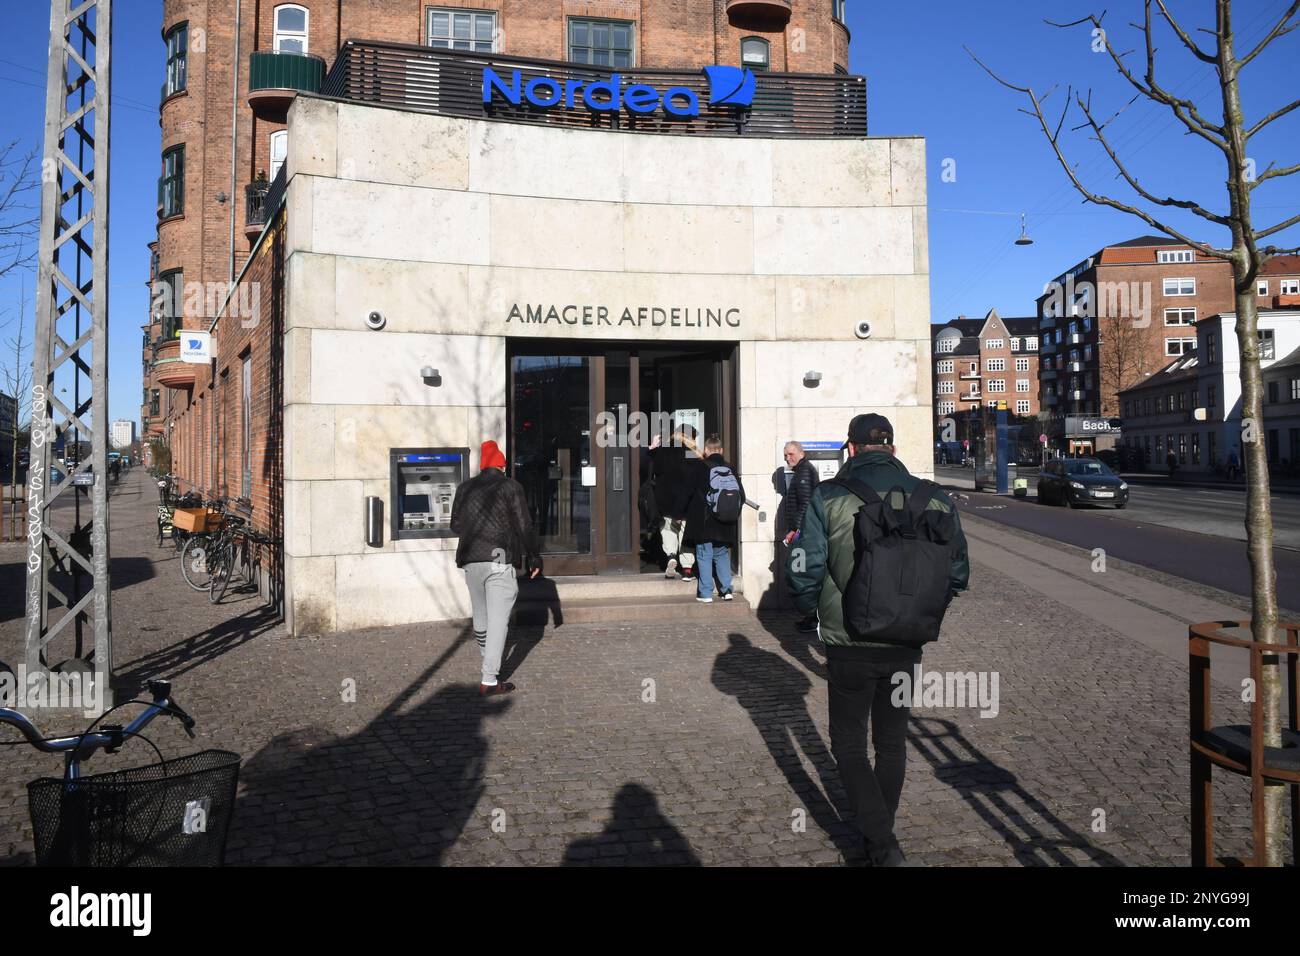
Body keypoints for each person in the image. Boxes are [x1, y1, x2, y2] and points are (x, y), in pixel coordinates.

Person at [787, 414, 970, 866]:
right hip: (907, 640)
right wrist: (923, 608)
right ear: (892, 448)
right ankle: (879, 838)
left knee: (848, 743)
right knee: (891, 743)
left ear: (850, 449)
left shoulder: (829, 497)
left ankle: (881, 842)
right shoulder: (937, 498)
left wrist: (807, 611)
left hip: (848, 640)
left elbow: (804, 568)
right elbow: (959, 573)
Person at [450, 439, 541, 696]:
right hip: (500, 559)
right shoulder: (510, 487)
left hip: (471, 559)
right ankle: (489, 679)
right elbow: (524, 525)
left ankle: (487, 657)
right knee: (499, 620)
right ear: (502, 465)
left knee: (481, 615)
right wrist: (534, 557)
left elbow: (455, 526)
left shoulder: (464, 488)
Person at [684, 434, 745, 604]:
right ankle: (726, 590)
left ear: (706, 450)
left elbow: (688, 493)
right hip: (725, 523)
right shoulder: (730, 469)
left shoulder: (699, 467)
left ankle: (705, 593)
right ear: (721, 450)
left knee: (704, 555)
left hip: (704, 523)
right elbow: (743, 496)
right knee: (722, 555)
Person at [647, 424, 699, 579]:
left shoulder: (663, 450)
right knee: (685, 534)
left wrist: (652, 449)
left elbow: (653, 469)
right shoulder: (692, 453)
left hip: (665, 500)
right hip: (687, 502)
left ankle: (671, 556)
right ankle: (688, 568)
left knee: (668, 530)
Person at [780, 441, 820, 631]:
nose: (788, 458)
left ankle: (812, 617)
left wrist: (795, 529)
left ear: (801, 453)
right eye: (786, 455)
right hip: (804, 530)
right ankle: (811, 616)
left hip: (804, 533)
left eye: (791, 454)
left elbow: (805, 503)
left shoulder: (804, 472)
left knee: (802, 574)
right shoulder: (803, 470)